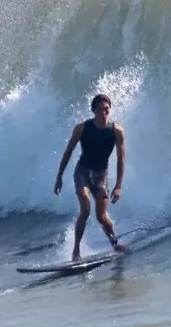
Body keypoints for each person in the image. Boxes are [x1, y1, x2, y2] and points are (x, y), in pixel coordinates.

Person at [53, 93, 129, 261]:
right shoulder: (82, 128)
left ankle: (115, 243)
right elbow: (68, 152)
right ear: (94, 110)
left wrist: (118, 186)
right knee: (85, 210)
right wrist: (59, 177)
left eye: (107, 110)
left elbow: (121, 159)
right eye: (101, 110)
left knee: (101, 216)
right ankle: (76, 252)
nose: (105, 113)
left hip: (101, 176)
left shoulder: (116, 131)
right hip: (82, 173)